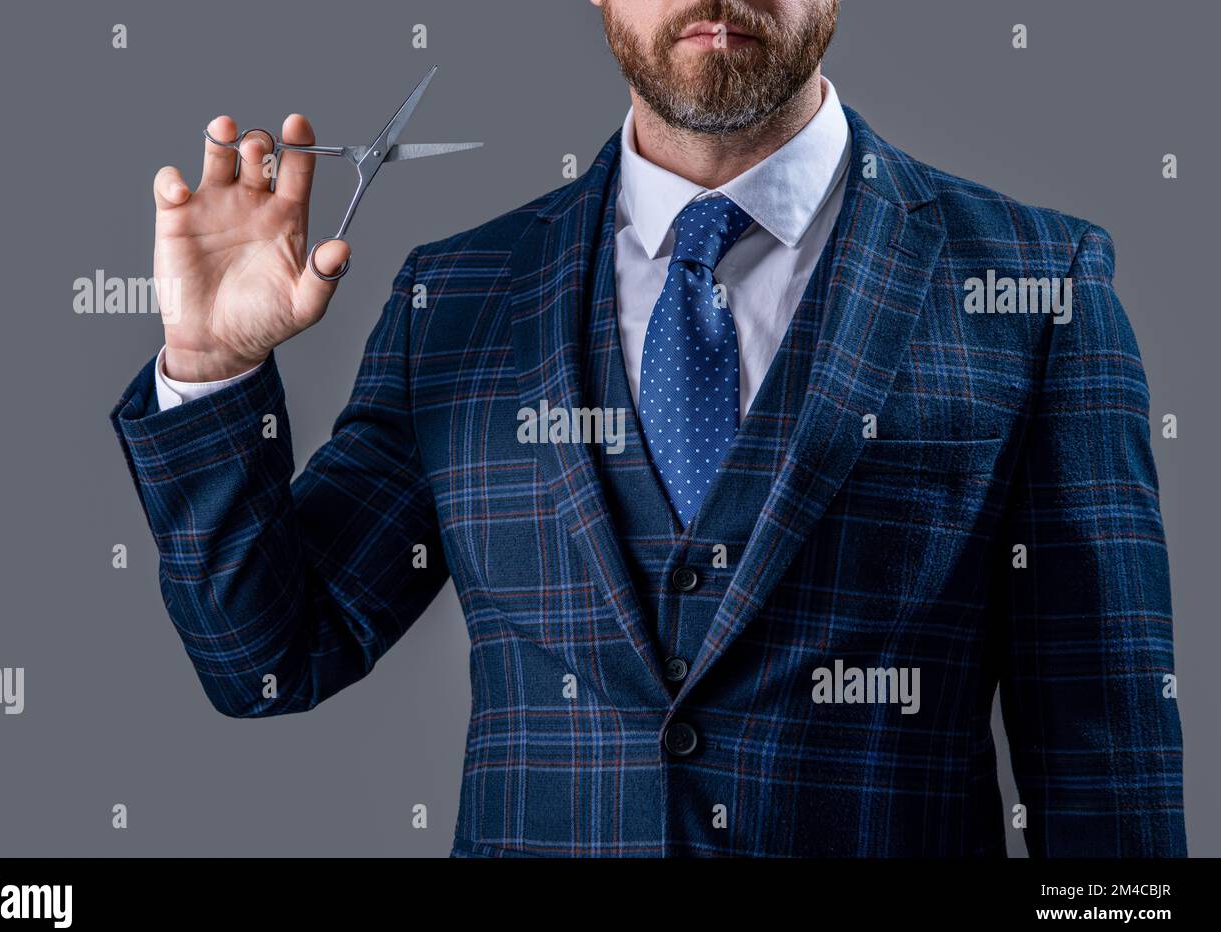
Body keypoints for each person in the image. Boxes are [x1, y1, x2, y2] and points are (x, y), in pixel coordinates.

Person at [111, 0, 1185, 857]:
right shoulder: (461, 295)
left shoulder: (1033, 285)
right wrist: (212, 373)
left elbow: (1104, 754)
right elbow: (271, 658)